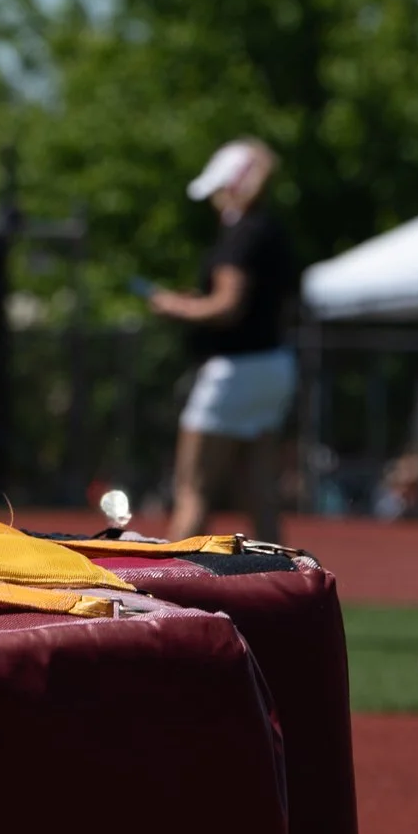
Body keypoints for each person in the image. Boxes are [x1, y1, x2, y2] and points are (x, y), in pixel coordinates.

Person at [147, 138, 298, 539]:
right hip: (274, 365)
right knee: (260, 494)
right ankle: (281, 591)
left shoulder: (239, 234)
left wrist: (173, 306)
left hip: (233, 372)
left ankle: (170, 588)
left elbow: (228, 306)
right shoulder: (271, 230)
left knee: (193, 490)